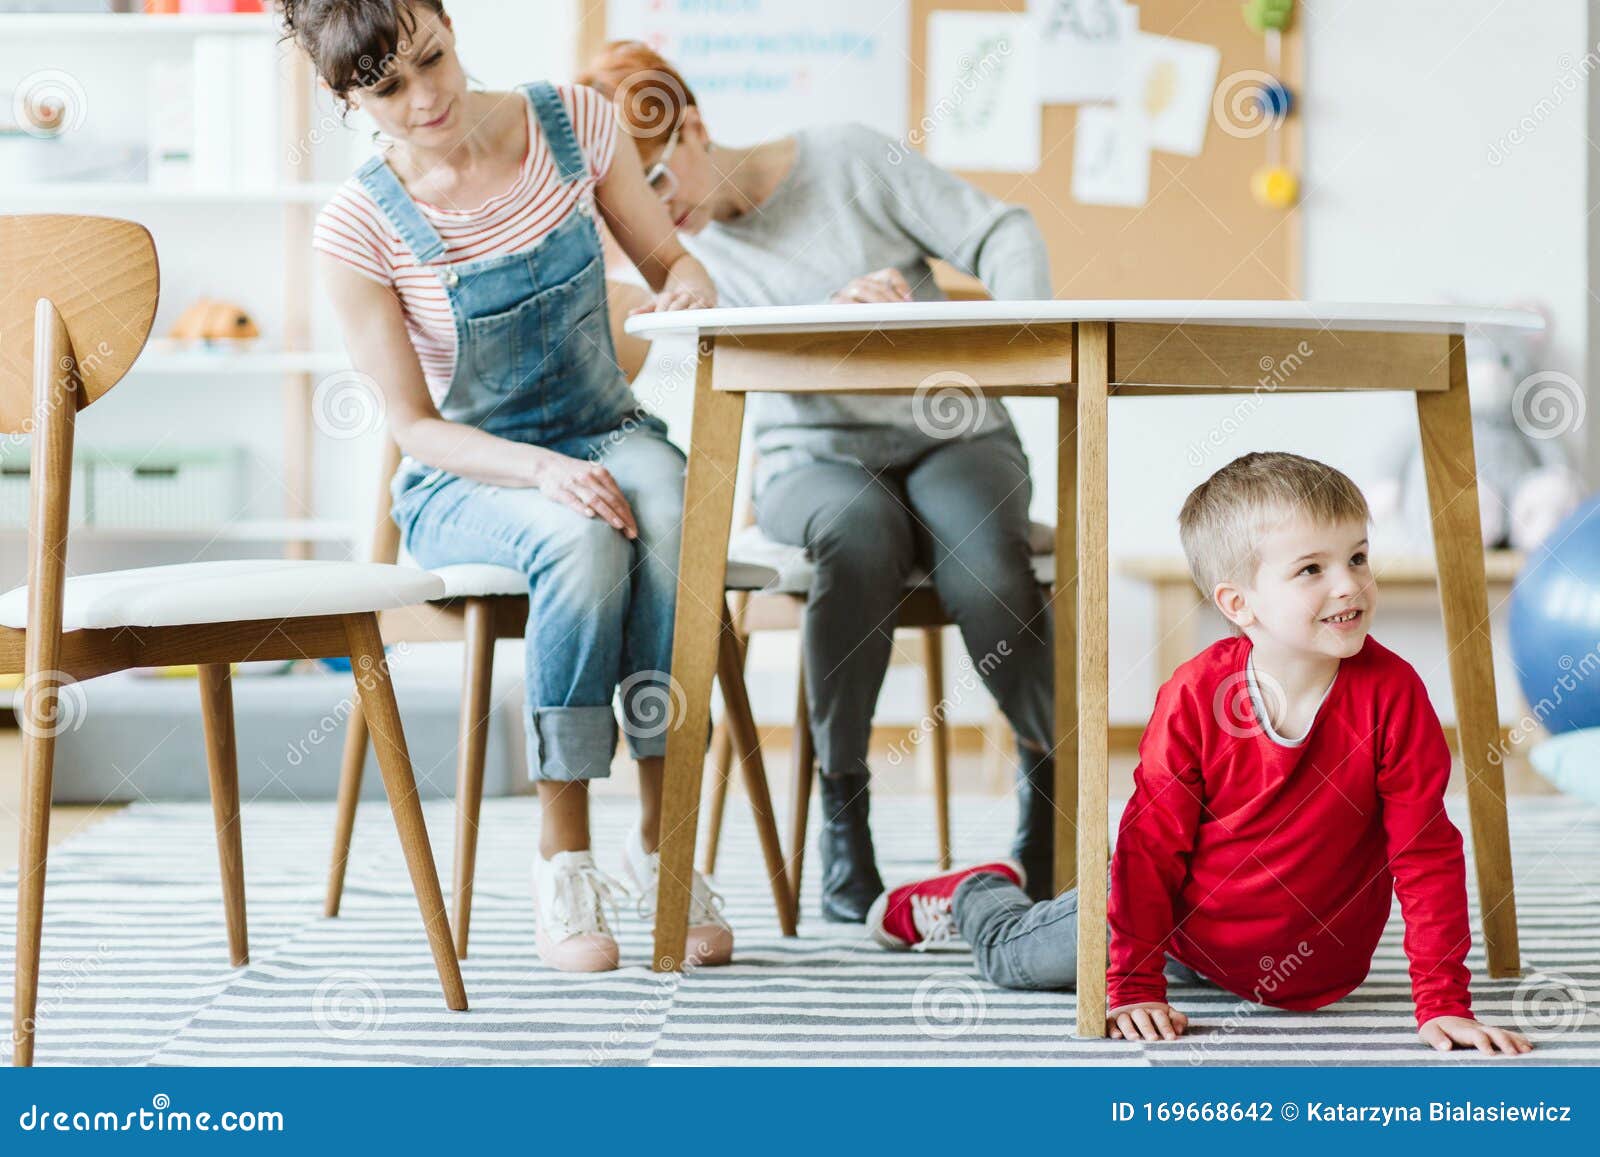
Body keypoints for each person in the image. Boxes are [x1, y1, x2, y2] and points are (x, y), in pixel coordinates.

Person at [290, 0, 729, 972]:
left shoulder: (576, 125)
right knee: (580, 534)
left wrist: (690, 281)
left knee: (669, 507)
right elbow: (414, 427)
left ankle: (664, 843)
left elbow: (668, 258)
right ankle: (562, 855)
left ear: (450, 26)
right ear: (343, 95)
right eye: (387, 88)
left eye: (432, 59)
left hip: (605, 429)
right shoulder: (358, 225)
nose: (425, 98)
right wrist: (541, 471)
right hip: (466, 473)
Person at [580, 42, 1060, 921]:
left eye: (654, 179)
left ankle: (1051, 792)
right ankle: (846, 821)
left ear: (694, 127)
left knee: (986, 562)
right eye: (627, 201)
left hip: (951, 430)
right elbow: (648, 357)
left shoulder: (846, 157)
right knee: (856, 532)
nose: (655, 210)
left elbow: (1005, 230)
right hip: (812, 458)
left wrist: (1006, 343)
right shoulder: (680, 261)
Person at [867, 451, 1533, 1055]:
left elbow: (1424, 852)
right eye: (1312, 569)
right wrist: (1133, 981)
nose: (1349, 585)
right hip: (1170, 927)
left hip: (1305, 973)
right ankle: (977, 891)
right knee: (1012, 959)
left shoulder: (1395, 694)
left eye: (1357, 557)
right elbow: (1150, 846)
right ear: (1239, 604)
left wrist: (1443, 1002)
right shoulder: (1195, 695)